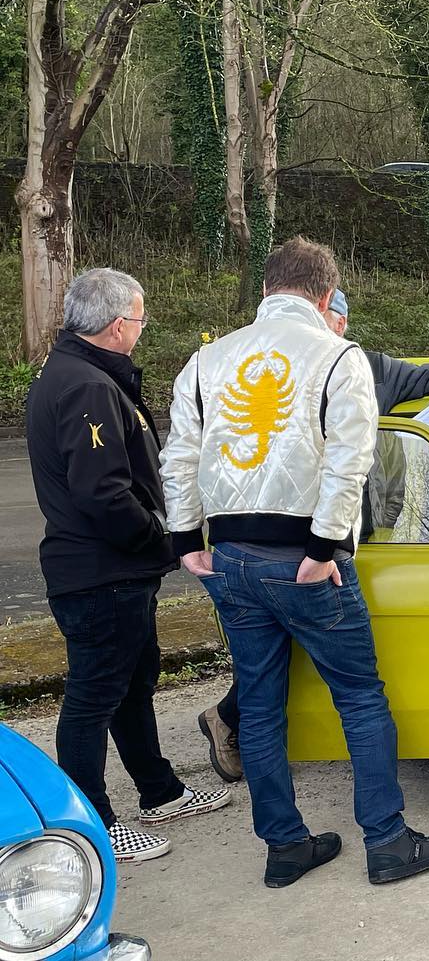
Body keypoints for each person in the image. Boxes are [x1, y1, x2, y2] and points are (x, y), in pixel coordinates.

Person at [161, 237, 429, 888]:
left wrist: (185, 540)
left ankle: (284, 847)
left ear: (265, 290)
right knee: (359, 696)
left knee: (261, 708)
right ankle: (387, 840)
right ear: (327, 296)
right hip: (306, 558)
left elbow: (179, 457)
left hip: (230, 556)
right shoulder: (339, 357)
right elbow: (350, 460)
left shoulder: (205, 362)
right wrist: (324, 548)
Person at [196, 286, 429, 784]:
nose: (335, 328)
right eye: (330, 317)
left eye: (340, 321)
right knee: (334, 679)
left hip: (343, 536)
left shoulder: (361, 366)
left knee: (286, 658)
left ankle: (260, 774)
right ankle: (234, 721)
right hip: (288, 540)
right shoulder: (258, 366)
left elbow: (422, 375)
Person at [26, 268, 230, 864]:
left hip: (113, 572)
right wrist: (161, 539)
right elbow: (103, 493)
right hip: (101, 574)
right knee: (93, 698)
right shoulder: (87, 387)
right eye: (140, 320)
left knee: (133, 684)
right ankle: (94, 825)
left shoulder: (76, 372)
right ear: (119, 325)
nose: (142, 329)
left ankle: (158, 790)